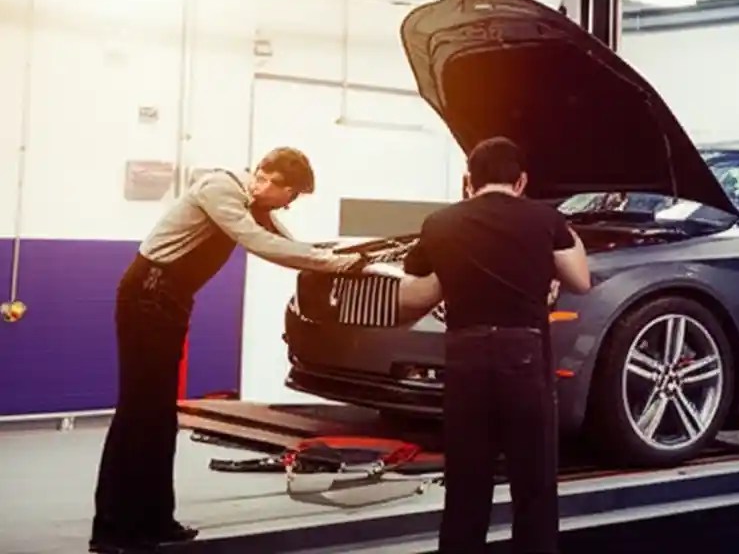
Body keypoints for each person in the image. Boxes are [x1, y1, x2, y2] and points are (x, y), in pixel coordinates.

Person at [90, 147, 367, 553]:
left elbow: (286, 243)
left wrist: (338, 258)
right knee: (139, 412)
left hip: (167, 302)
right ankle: (112, 531)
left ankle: (153, 520)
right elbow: (259, 242)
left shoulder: (252, 200)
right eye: (289, 197)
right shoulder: (221, 189)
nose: (287, 206)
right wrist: (330, 264)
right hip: (146, 299)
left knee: (160, 415)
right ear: (270, 180)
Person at [396, 136, 590, 554]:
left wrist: (456, 277)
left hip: (466, 355)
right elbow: (581, 279)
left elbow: (410, 299)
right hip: (524, 355)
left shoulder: (439, 223)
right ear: (521, 181)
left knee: (467, 480)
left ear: (468, 181)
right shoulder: (545, 218)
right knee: (533, 481)